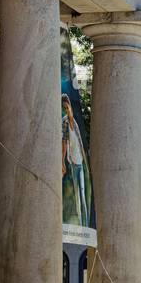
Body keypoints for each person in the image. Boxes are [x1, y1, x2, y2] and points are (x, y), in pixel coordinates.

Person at [62, 94, 89, 226]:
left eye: (68, 107)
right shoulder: (64, 122)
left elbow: (80, 143)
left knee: (83, 194)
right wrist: (63, 162)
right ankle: (80, 223)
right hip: (73, 164)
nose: (67, 110)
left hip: (81, 162)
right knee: (77, 195)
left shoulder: (76, 123)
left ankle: (86, 223)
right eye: (65, 108)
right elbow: (64, 143)